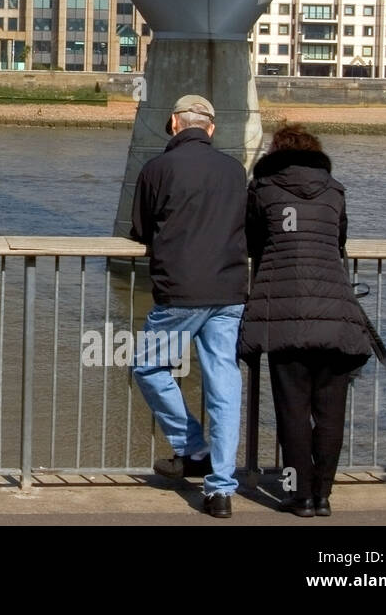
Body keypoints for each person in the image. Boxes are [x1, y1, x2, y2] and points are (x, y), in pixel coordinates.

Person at [238, 124, 375, 517]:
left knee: (292, 412)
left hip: (284, 316)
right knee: (330, 413)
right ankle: (323, 496)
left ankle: (299, 497)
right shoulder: (334, 191)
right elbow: (339, 242)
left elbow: (253, 242)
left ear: (275, 154)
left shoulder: (262, 190)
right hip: (335, 315)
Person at [130, 94, 249, 518]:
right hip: (230, 289)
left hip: (179, 289)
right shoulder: (235, 171)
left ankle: (191, 446)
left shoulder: (157, 169)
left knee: (147, 365)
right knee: (223, 385)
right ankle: (220, 490)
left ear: (174, 124)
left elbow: (140, 229)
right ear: (211, 129)